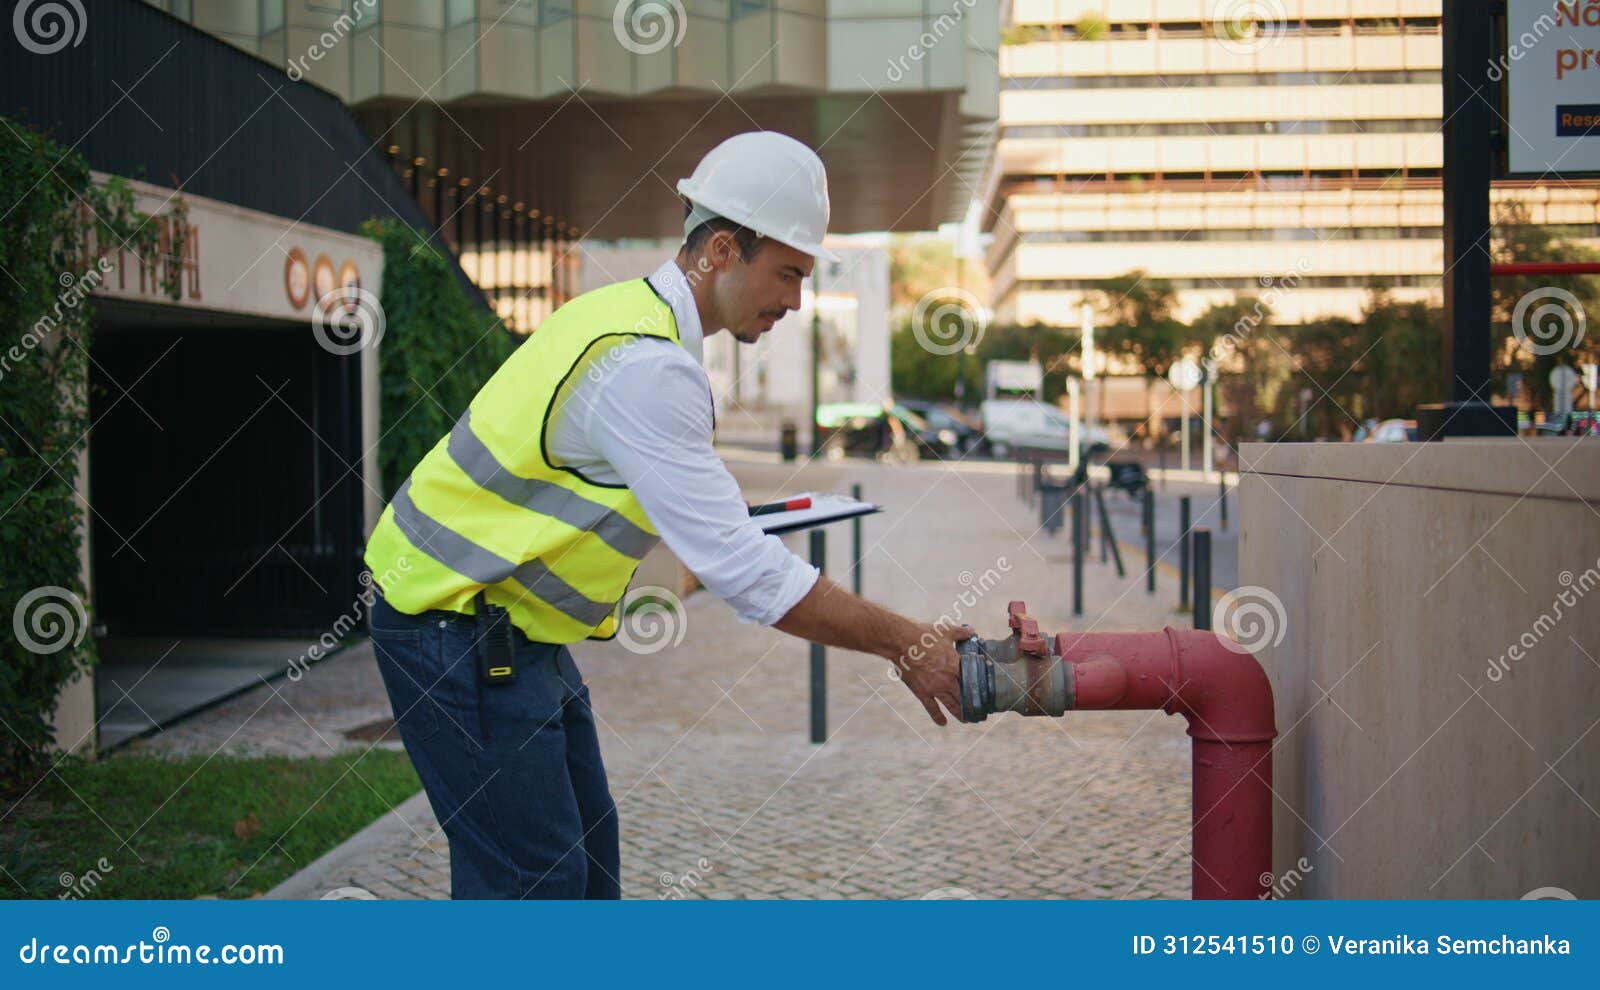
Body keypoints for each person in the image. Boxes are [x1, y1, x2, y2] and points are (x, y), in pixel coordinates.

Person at [362, 131, 969, 900]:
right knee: (536, 892)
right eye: (787, 272)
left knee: (585, 876)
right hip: (453, 632)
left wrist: (706, 542)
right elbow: (751, 579)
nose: (796, 301)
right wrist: (907, 644)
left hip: (507, 632)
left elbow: (613, 503)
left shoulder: (628, 321)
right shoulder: (647, 368)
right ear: (721, 249)